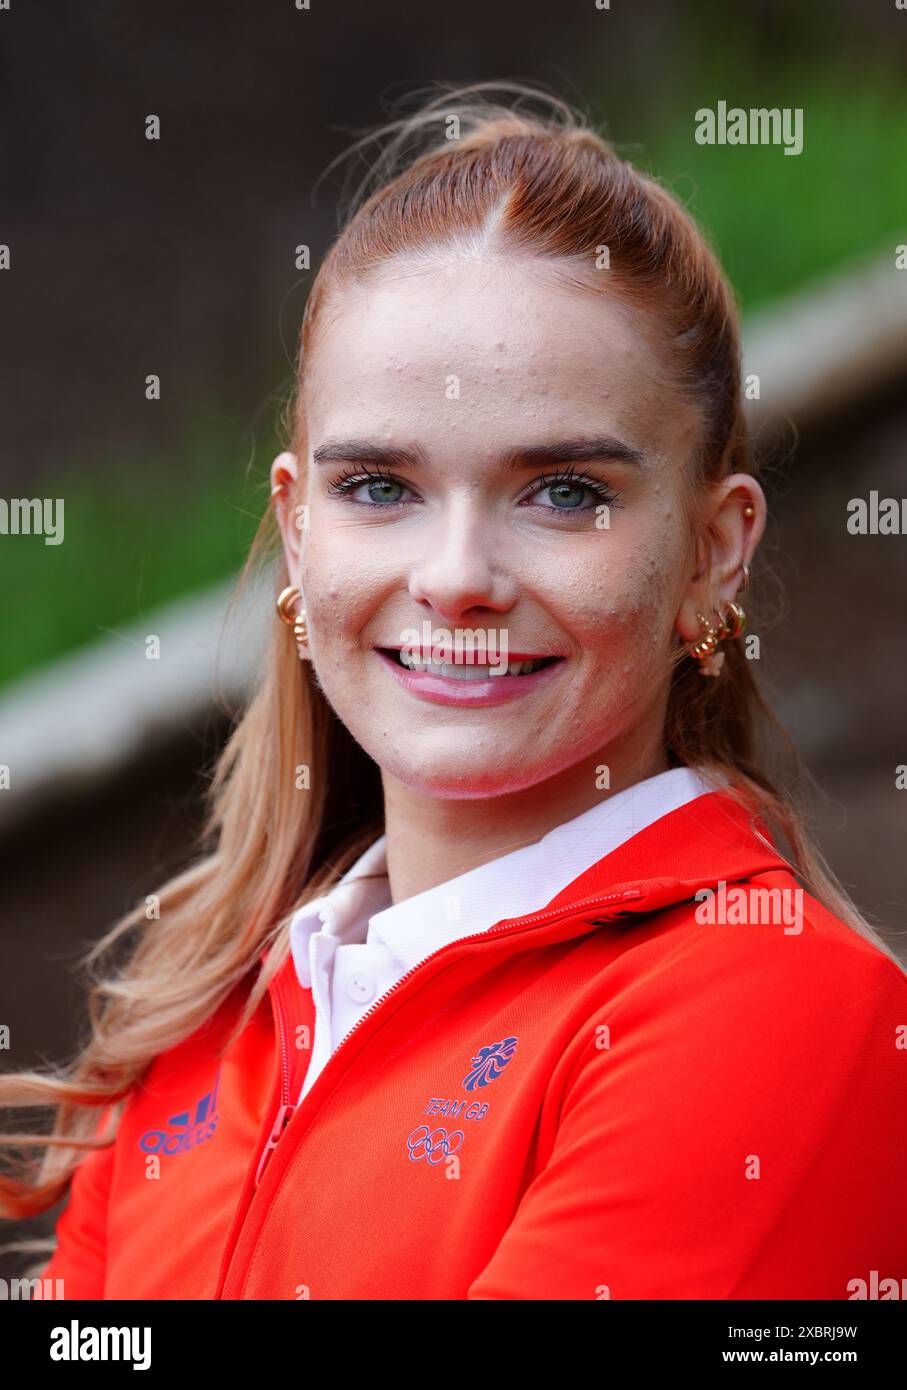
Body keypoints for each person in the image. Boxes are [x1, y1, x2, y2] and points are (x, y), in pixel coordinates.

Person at [3, 82, 905, 1301]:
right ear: (295, 527)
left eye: (564, 491)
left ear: (713, 551)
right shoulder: (192, 1025)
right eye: (380, 485)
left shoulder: (785, 1013)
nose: (457, 578)